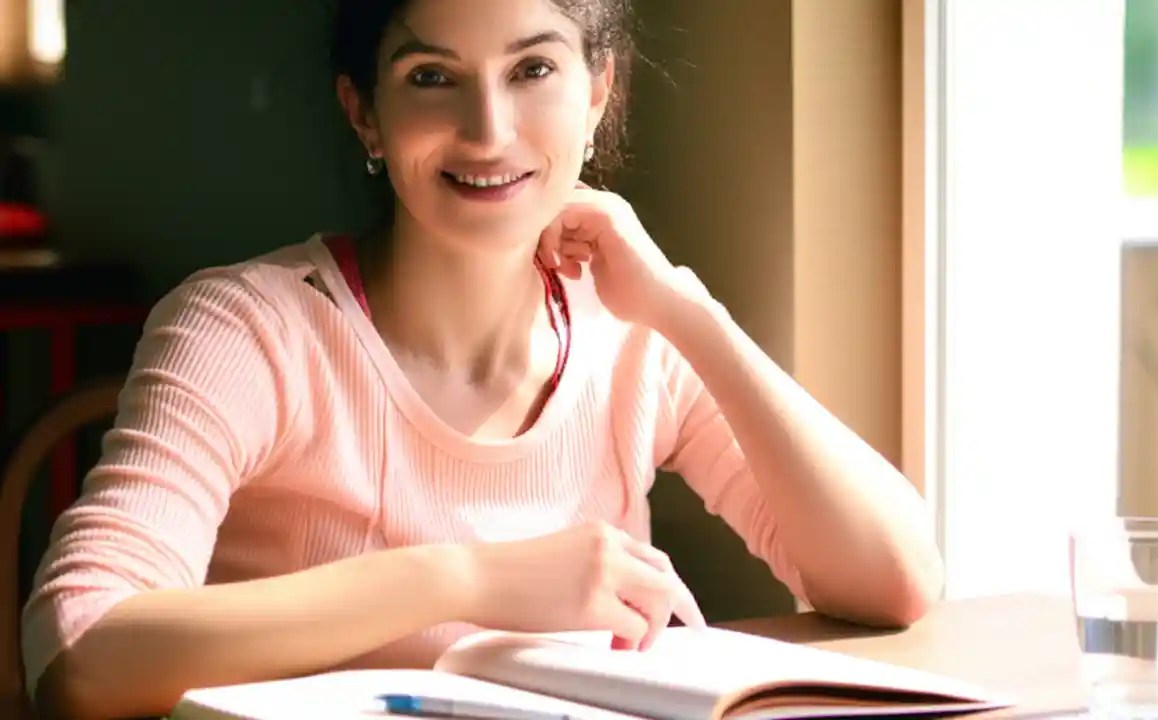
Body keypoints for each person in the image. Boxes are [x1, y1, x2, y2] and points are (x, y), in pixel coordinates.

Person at [21, 1, 944, 718]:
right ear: (364, 114)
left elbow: (893, 580)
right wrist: (466, 579)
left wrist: (684, 309)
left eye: (534, 67)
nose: (489, 129)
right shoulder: (249, 329)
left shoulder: (634, 336)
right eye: (431, 76)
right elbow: (81, 656)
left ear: (597, 94)